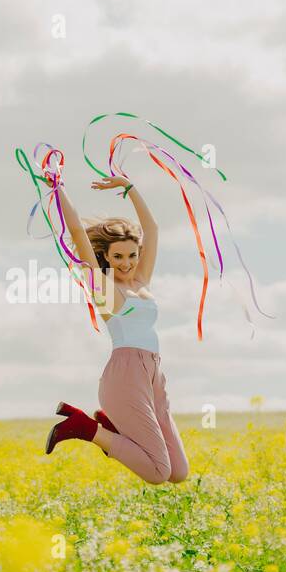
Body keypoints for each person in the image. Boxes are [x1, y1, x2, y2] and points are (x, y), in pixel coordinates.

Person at [44, 173, 190, 484]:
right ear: (107, 258)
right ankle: (87, 428)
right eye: (118, 257)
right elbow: (78, 233)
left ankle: (112, 429)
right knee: (157, 473)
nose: (127, 262)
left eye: (132, 255)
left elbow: (152, 229)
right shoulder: (104, 289)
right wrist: (59, 187)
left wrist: (130, 187)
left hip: (154, 373)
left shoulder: (141, 283)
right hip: (125, 375)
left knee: (178, 473)